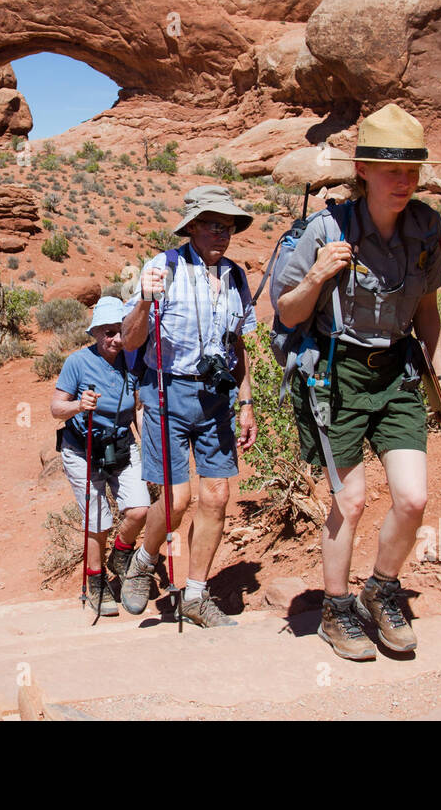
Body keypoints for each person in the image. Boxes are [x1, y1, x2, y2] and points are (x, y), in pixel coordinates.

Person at [275, 102, 441, 660]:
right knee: (350, 502)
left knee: (413, 497)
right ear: (363, 171)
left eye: (411, 170)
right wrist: (316, 274)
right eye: (390, 169)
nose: (403, 180)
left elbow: (425, 306)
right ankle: (336, 610)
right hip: (336, 373)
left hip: (398, 371)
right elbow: (285, 313)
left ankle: (380, 589)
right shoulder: (325, 229)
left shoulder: (426, 227)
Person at [117, 184, 258, 627]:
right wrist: (144, 298)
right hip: (167, 390)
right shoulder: (163, 268)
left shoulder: (236, 276)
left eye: (229, 226)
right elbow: (131, 339)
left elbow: (238, 344)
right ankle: (143, 560)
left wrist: (247, 402)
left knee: (216, 496)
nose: (224, 234)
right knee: (177, 500)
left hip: (217, 397)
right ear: (192, 226)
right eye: (215, 225)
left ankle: (195, 595)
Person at [50, 296, 149, 616]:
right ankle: (97, 583)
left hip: (121, 444)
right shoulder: (76, 363)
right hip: (82, 449)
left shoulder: (132, 361)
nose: (116, 339)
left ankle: (120, 553)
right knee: (99, 519)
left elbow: (137, 408)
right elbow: (55, 409)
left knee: (139, 510)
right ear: (94, 333)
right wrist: (79, 405)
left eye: (120, 330)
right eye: (108, 332)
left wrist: (147, 443)